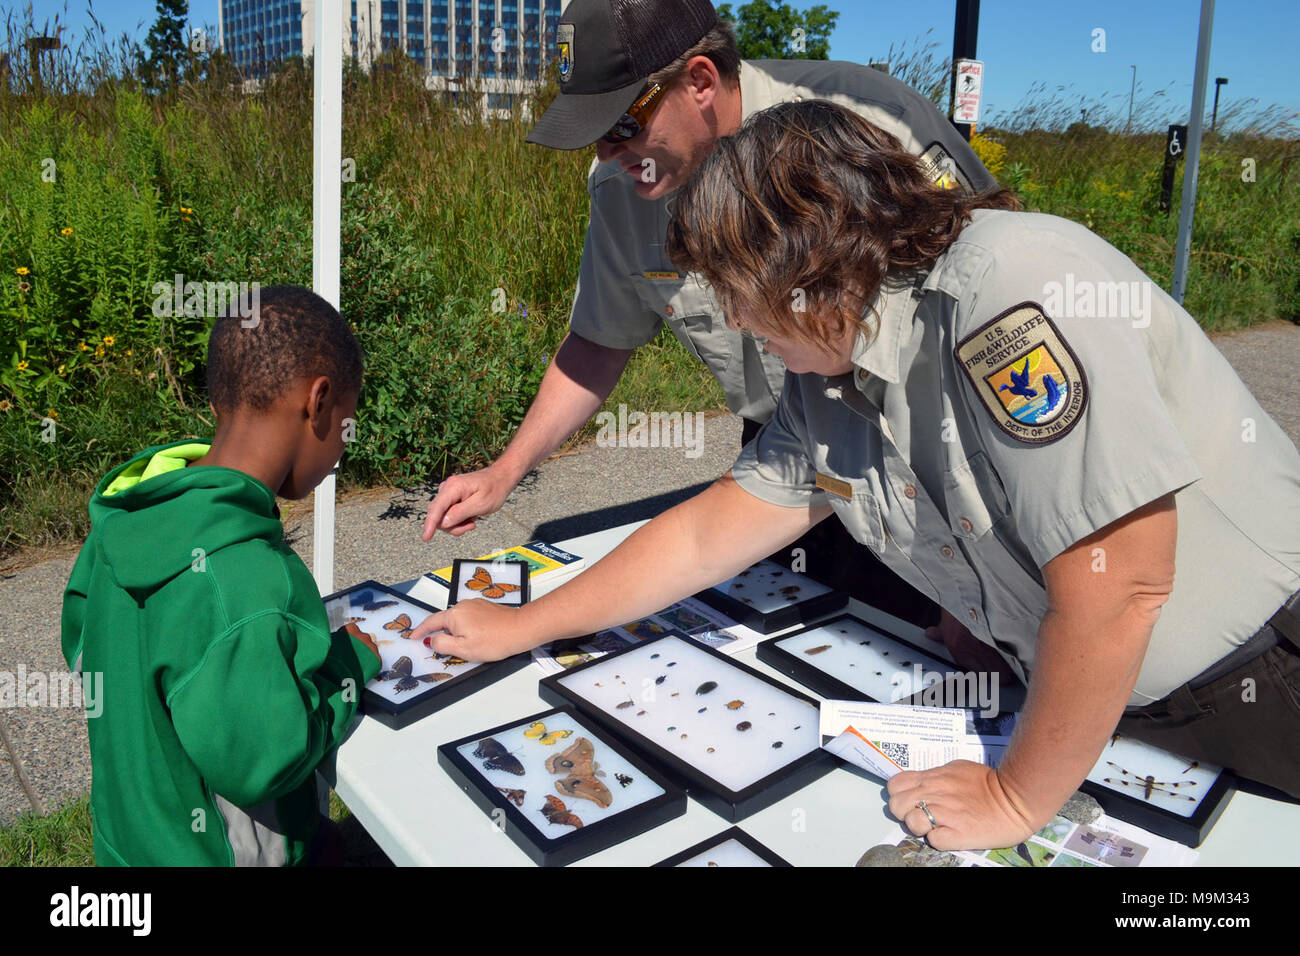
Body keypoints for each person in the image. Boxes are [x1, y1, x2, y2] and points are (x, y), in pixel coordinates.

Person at [412, 101, 1300, 851]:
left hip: (1262, 676)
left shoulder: (1013, 290)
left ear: (808, 267)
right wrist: (524, 626)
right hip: (1097, 707)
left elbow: (1122, 584)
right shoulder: (826, 366)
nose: (729, 320)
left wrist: (1016, 800)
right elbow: (708, 532)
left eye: (735, 290)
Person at [422, 0, 997, 637]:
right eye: (596, 136)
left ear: (698, 80)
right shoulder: (625, 185)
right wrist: (506, 471)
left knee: (935, 665)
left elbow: (973, 334)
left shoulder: (866, 129)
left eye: (621, 125)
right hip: (785, 445)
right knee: (787, 652)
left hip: (921, 456)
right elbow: (600, 339)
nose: (611, 154)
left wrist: (978, 589)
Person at [60, 286, 382, 866]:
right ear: (319, 401)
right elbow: (265, 759)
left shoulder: (127, 515)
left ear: (219, 401)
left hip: (128, 850)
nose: (340, 450)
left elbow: (83, 644)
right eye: (345, 425)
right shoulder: (247, 581)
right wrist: (345, 665)